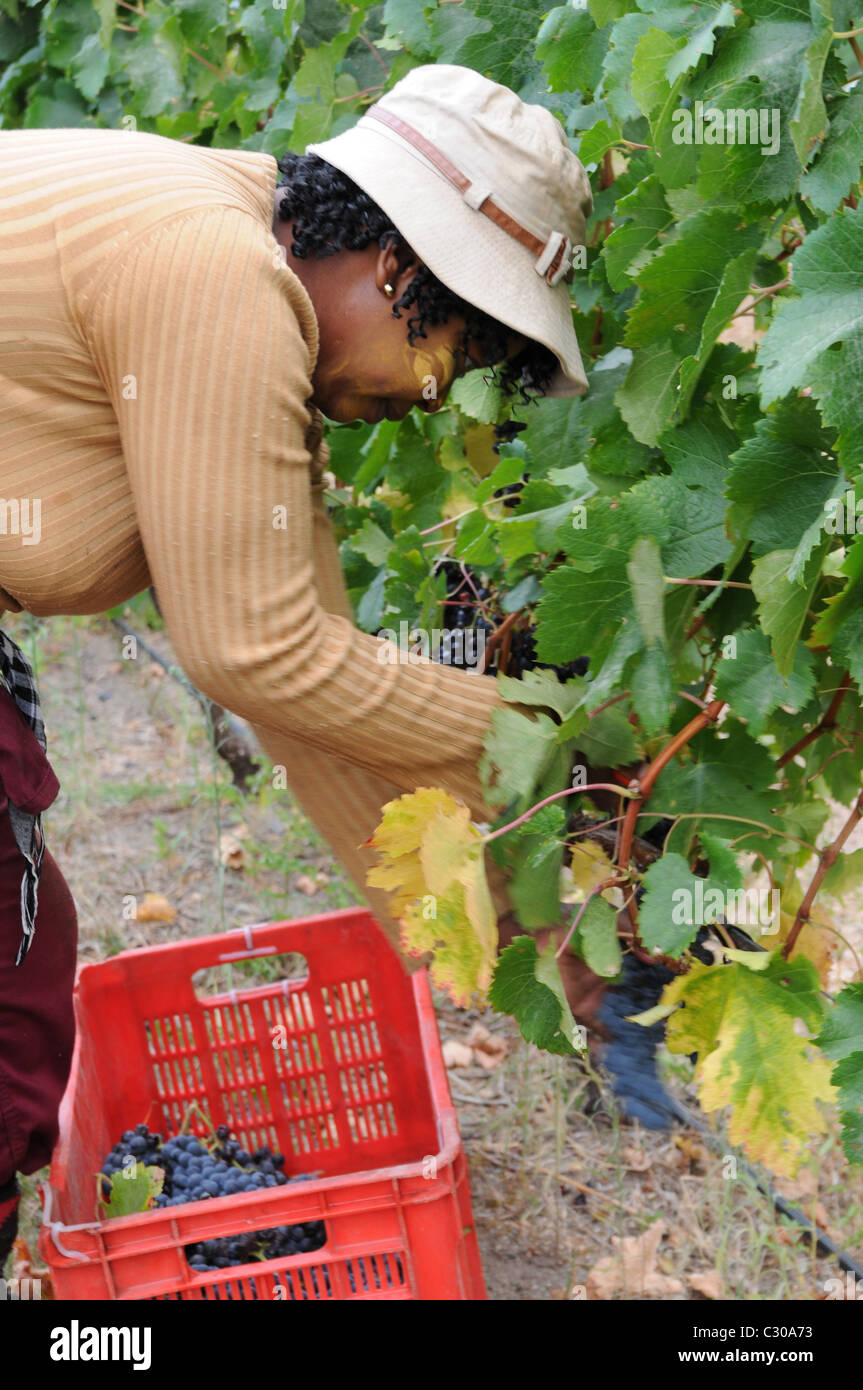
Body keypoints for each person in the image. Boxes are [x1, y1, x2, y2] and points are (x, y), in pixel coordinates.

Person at [0, 63, 597, 1265]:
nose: (435, 400)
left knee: (17, 1001)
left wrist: (512, 935)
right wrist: (554, 737)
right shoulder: (216, 277)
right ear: (398, 272)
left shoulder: (241, 301)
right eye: (460, 352)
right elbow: (256, 654)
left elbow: (308, 694)